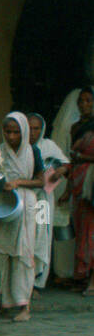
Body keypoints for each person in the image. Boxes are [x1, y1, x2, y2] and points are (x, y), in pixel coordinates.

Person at [0, 113, 44, 321]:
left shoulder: (33, 152)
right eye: (8, 132)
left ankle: (23, 305)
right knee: (1, 254)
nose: (12, 136)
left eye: (16, 132)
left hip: (25, 205)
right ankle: (1, 300)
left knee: (23, 253)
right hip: (2, 204)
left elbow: (40, 181)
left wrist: (19, 182)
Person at [26, 112, 70, 289]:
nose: (32, 132)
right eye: (29, 128)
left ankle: (37, 281)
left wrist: (60, 171)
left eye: (36, 128)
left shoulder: (48, 145)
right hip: (22, 199)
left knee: (41, 236)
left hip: (42, 200)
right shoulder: (16, 146)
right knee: (24, 237)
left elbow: (65, 164)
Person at [63, 89, 94, 293]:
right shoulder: (76, 128)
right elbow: (72, 160)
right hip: (79, 183)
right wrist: (67, 189)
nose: (84, 104)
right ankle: (83, 275)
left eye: (88, 101)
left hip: (93, 182)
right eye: (81, 101)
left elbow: (81, 156)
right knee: (82, 229)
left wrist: (84, 159)